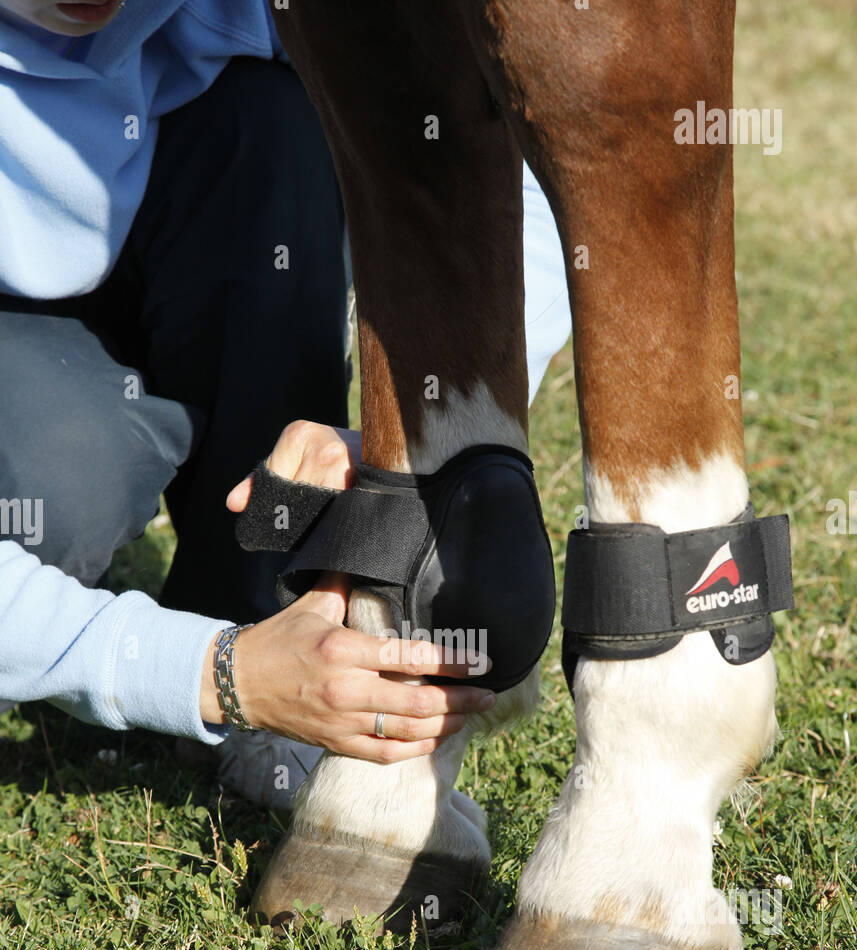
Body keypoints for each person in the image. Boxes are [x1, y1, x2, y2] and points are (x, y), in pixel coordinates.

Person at [0, 0, 571, 803]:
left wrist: (419, 419)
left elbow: (515, 146)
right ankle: (247, 658)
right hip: (24, 332)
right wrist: (212, 674)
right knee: (52, 493)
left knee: (278, 122)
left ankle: (267, 605)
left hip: (185, 202)